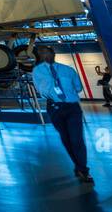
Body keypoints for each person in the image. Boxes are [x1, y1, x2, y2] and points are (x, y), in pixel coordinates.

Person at [32, 44, 93, 183]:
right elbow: (40, 90)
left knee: (77, 139)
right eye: (42, 53)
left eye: (47, 52)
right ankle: (78, 166)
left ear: (53, 54)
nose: (45, 55)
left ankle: (83, 169)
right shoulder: (37, 71)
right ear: (39, 56)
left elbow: (78, 87)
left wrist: (64, 90)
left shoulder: (68, 70)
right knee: (66, 139)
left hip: (72, 107)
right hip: (54, 107)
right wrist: (53, 87)